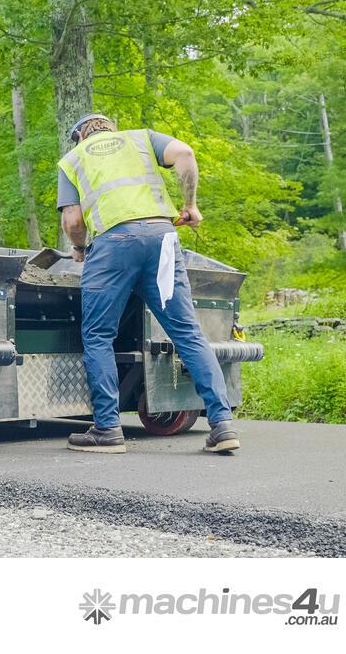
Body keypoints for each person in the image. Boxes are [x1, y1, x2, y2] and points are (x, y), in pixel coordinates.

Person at [56, 113, 239, 454]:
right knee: (187, 332)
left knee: (98, 336)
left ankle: (108, 430)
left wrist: (80, 248)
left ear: (80, 135)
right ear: (112, 128)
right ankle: (222, 425)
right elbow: (185, 154)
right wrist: (190, 205)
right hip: (162, 239)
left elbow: (73, 219)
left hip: (112, 245)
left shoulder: (73, 159)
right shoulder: (141, 138)